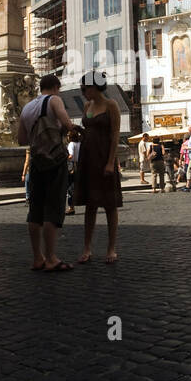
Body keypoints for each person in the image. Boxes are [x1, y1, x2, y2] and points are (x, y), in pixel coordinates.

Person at [17, 73, 77, 271]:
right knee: (53, 209)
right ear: (56, 87)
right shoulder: (54, 100)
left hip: (36, 163)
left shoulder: (26, 108)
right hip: (55, 161)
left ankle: (38, 258)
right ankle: (51, 258)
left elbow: (22, 140)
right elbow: (68, 125)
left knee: (35, 211)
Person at [74, 71, 122, 264]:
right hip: (88, 158)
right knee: (90, 204)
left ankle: (111, 248)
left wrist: (111, 162)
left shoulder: (111, 105)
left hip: (104, 158)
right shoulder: (87, 105)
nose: (83, 92)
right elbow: (89, 130)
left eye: (85, 89)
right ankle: (87, 247)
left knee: (110, 204)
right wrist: (79, 131)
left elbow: (115, 135)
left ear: (94, 87)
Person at [66, 128, 80, 213]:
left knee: (70, 187)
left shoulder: (71, 144)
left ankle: (71, 207)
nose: (67, 136)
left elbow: (70, 156)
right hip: (79, 166)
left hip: (72, 166)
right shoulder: (80, 144)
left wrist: (63, 158)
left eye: (68, 135)